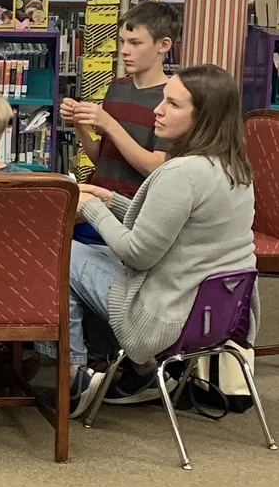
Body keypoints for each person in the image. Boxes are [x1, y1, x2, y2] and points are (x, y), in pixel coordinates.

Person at [64, 65, 257, 412]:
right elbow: (176, 229)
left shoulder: (181, 173)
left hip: (165, 315)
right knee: (86, 255)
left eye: (173, 104)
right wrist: (110, 200)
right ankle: (135, 369)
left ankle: (76, 375)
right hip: (216, 314)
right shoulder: (234, 167)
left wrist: (91, 208)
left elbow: (137, 254)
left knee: (61, 254)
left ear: (204, 118)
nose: (158, 109)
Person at [61, 2, 176, 200]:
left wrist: (108, 124)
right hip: (96, 198)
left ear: (163, 45)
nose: (124, 50)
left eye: (135, 43)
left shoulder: (172, 98)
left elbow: (157, 168)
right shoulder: (117, 88)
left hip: (132, 209)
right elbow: (102, 160)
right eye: (122, 41)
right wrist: (79, 123)